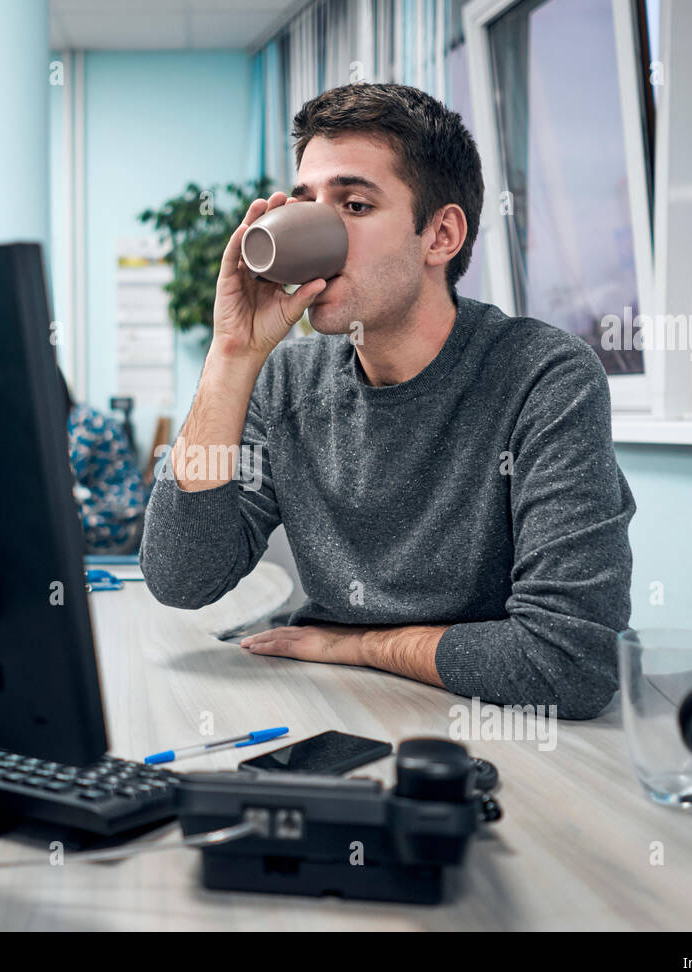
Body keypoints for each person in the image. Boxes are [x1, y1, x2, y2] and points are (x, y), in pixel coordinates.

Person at [138, 83, 635, 720]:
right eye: (307, 202)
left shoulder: (543, 376)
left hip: (494, 728)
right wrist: (232, 357)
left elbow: (568, 664)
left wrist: (361, 646)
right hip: (336, 711)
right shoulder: (286, 380)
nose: (318, 226)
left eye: (353, 204)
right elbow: (183, 577)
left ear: (441, 236)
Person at [59, 367, 147, 555]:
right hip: (116, 509)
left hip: (120, 518)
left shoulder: (83, 422)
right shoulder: (80, 415)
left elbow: (64, 474)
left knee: (55, 524)